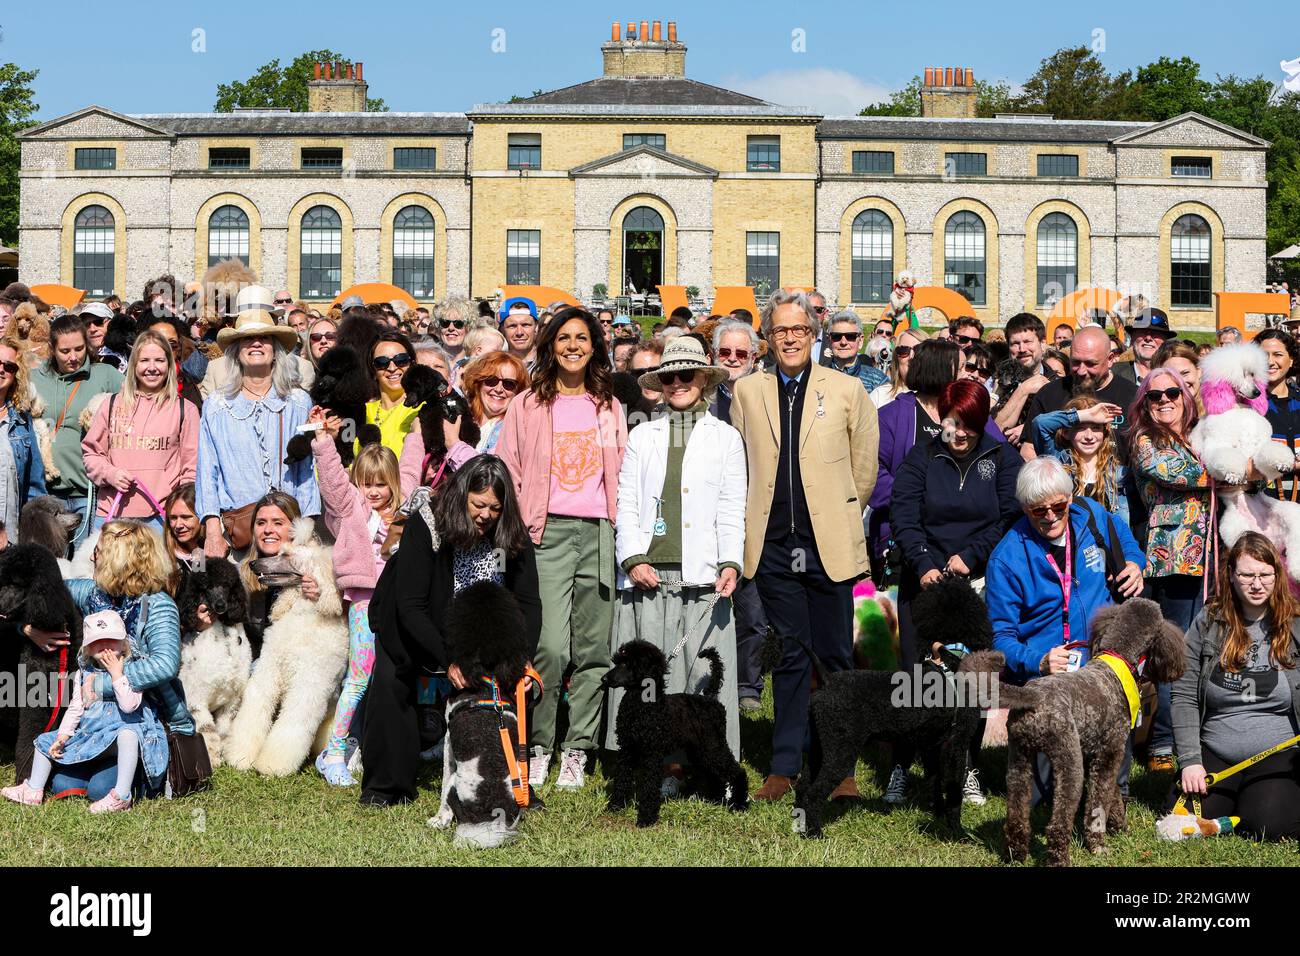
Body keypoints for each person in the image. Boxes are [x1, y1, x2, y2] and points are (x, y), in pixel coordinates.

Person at [729, 289, 878, 802]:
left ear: (813, 335)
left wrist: (837, 515)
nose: (789, 338)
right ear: (766, 338)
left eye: (798, 329)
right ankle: (785, 763)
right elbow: (741, 465)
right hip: (772, 544)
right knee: (790, 654)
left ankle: (839, 767)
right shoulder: (748, 392)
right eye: (779, 330)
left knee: (836, 656)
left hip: (827, 543)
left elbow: (864, 467)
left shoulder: (845, 390)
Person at [361, 455, 541, 807]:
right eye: (478, 504)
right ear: (462, 496)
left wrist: (523, 660)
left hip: (480, 618)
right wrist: (448, 660)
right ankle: (386, 786)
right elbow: (410, 605)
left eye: (494, 507)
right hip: (419, 613)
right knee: (390, 680)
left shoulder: (509, 532)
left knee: (513, 682)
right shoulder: (428, 522)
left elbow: (527, 602)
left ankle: (507, 780)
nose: (486, 515)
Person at [497, 306, 627, 790]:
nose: (572, 346)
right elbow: (507, 469)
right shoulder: (527, 404)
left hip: (598, 532)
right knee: (549, 647)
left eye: (582, 338)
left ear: (595, 347)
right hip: (543, 533)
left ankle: (579, 748)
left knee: (593, 651)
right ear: (550, 345)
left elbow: (622, 473)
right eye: (563, 338)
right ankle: (538, 744)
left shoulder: (608, 405)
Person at [610, 338, 746, 774]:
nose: (678, 383)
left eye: (687, 374)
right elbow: (626, 503)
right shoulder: (641, 434)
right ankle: (655, 764)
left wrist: (731, 561)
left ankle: (710, 765)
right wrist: (632, 557)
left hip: (704, 573)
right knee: (655, 678)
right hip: (651, 572)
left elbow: (731, 507)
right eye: (669, 376)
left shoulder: (726, 438)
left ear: (704, 379)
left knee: (702, 673)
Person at [889, 379, 1023, 804]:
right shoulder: (922, 457)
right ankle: (905, 765)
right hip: (924, 579)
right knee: (918, 678)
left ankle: (967, 768)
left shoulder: (1002, 459)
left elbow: (1009, 517)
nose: (960, 433)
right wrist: (925, 563)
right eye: (952, 423)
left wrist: (972, 555)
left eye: (969, 424)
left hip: (976, 582)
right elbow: (903, 514)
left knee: (973, 681)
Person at [985, 457, 1145, 802]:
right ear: (1025, 509)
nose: (1051, 517)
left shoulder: (1091, 515)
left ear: (1069, 499)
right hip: (1048, 679)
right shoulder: (1006, 559)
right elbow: (1001, 640)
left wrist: (1135, 563)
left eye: (1058, 506)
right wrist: (1038, 661)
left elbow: (1126, 538)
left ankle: (1112, 797)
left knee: (1113, 739)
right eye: (1038, 511)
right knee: (1044, 799)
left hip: (1101, 661)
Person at [31, 521, 196, 796]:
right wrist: (28, 629)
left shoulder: (158, 605)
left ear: (120, 560)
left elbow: (164, 665)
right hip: (98, 720)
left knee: (99, 789)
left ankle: (139, 773)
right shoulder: (94, 594)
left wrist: (102, 685)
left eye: (99, 551)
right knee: (62, 784)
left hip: (144, 717)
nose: (93, 557)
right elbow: (41, 592)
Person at [1173, 532, 1300, 840]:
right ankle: (1237, 802)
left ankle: (1256, 802)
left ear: (1276, 574)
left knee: (1272, 826)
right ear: (1231, 575)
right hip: (1217, 749)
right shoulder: (1209, 621)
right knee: (1185, 821)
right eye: (1247, 575)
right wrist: (1190, 761)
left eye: (1265, 575)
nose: (1257, 584)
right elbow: (1184, 694)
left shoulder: (1295, 622)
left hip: (1278, 753)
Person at [310, 414, 402, 787]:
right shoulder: (353, 511)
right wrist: (322, 440)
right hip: (364, 602)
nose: (375, 491)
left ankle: (366, 745)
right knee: (359, 677)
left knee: (388, 677)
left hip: (396, 604)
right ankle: (333, 752)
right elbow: (333, 482)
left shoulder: (401, 516)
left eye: (382, 484)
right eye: (367, 483)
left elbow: (412, 463)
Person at [3, 608, 169, 812]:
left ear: (124, 643)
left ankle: (122, 795)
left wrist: (117, 674)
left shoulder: (131, 668)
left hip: (121, 737)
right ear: (88, 648)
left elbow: (129, 705)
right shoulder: (83, 673)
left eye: (112, 639)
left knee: (128, 734)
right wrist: (63, 736)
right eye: (97, 641)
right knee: (44, 741)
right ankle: (33, 789)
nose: (105, 645)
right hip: (92, 737)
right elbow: (75, 708)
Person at [1129, 367, 1212, 772]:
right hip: (1173, 558)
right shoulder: (1147, 441)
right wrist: (1238, 470)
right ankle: (1163, 743)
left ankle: (1191, 740)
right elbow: (1181, 474)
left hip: (1211, 558)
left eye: (1172, 394)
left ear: (1185, 397)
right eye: (1154, 395)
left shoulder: (1199, 435)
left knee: (1199, 651)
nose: (1163, 400)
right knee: (1174, 652)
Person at [870, 339, 1002, 588]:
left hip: (967, 543)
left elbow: (999, 458)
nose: (970, 374)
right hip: (906, 540)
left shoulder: (972, 415)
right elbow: (872, 474)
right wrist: (920, 499)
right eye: (963, 367)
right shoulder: (891, 417)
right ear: (942, 368)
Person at [195, 307, 320, 559]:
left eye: (264, 338)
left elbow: (306, 471)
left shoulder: (297, 401)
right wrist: (211, 531)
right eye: (247, 339)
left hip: (289, 532)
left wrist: (308, 529)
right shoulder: (217, 405)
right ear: (236, 351)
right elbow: (207, 470)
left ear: (275, 350)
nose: (256, 343)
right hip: (238, 531)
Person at [82, 331, 197, 533]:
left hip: (160, 518)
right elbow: (91, 453)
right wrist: (110, 473)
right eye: (144, 360)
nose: (152, 368)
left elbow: (192, 466)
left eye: (159, 361)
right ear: (134, 364)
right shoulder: (111, 404)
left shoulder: (185, 409)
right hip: (113, 513)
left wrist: (182, 508)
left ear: (169, 365)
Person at [31, 315, 124, 546]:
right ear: (52, 349)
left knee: (84, 567)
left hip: (88, 492)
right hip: (46, 495)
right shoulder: (34, 378)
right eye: (65, 351)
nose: (73, 357)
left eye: (79, 348)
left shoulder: (105, 375)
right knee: (50, 566)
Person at [236, 492, 333, 657]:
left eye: (278, 523)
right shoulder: (243, 573)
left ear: (295, 528)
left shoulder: (316, 567)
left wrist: (319, 597)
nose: (268, 530)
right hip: (260, 663)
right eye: (261, 523)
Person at [1020, 325, 1138, 459]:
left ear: (1110, 359)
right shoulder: (1049, 393)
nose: (1081, 371)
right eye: (1075, 362)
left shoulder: (1132, 397)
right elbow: (1028, 448)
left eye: (1091, 364)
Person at [1029, 395, 1130, 524]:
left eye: (1096, 428)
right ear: (1065, 433)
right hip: (1070, 542)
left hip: (1108, 542)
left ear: (1105, 432)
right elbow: (1040, 424)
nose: (1089, 436)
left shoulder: (1120, 474)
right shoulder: (1057, 463)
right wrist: (1086, 415)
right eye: (1080, 428)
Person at [0, 336, 47, 540]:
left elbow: (34, 485)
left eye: (9, 367)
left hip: (10, 537)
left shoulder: (21, 421)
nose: (1, 370)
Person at [1256, 328, 1300, 502]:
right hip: (1261, 509)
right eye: (1263, 355)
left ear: (1291, 360)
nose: (1270, 362)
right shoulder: (1245, 406)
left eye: (1278, 354)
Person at [364, 331, 420, 459]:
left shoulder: (422, 408)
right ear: (373, 370)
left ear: (411, 364)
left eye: (401, 360)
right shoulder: (362, 412)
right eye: (382, 362)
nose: (392, 367)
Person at [460, 351, 528, 453]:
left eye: (509, 384)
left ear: (518, 392)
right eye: (491, 381)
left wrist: (454, 445)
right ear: (478, 384)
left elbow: (486, 468)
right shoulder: (459, 418)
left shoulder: (515, 431)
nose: (499, 389)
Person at [822, 311, 888, 393]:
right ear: (828, 340)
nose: (843, 342)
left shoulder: (878, 381)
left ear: (860, 341)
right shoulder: (818, 378)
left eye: (850, 336)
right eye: (837, 336)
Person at [869, 327, 928, 408]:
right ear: (896, 358)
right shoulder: (879, 396)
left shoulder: (938, 398)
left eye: (918, 350)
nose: (911, 356)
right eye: (903, 350)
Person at [1117, 304, 1176, 384]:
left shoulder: (1176, 376)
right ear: (1132, 339)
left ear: (1165, 341)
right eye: (1142, 332)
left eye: (1156, 333)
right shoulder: (1112, 374)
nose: (1148, 338)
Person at [162, 482, 204, 572]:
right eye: (173, 518)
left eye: (185, 517)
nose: (178, 525)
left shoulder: (222, 551)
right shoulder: (162, 557)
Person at [434, 296, 472, 370]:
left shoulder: (475, 364)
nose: (451, 328)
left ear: (469, 327)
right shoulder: (430, 360)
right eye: (445, 323)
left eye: (458, 323)